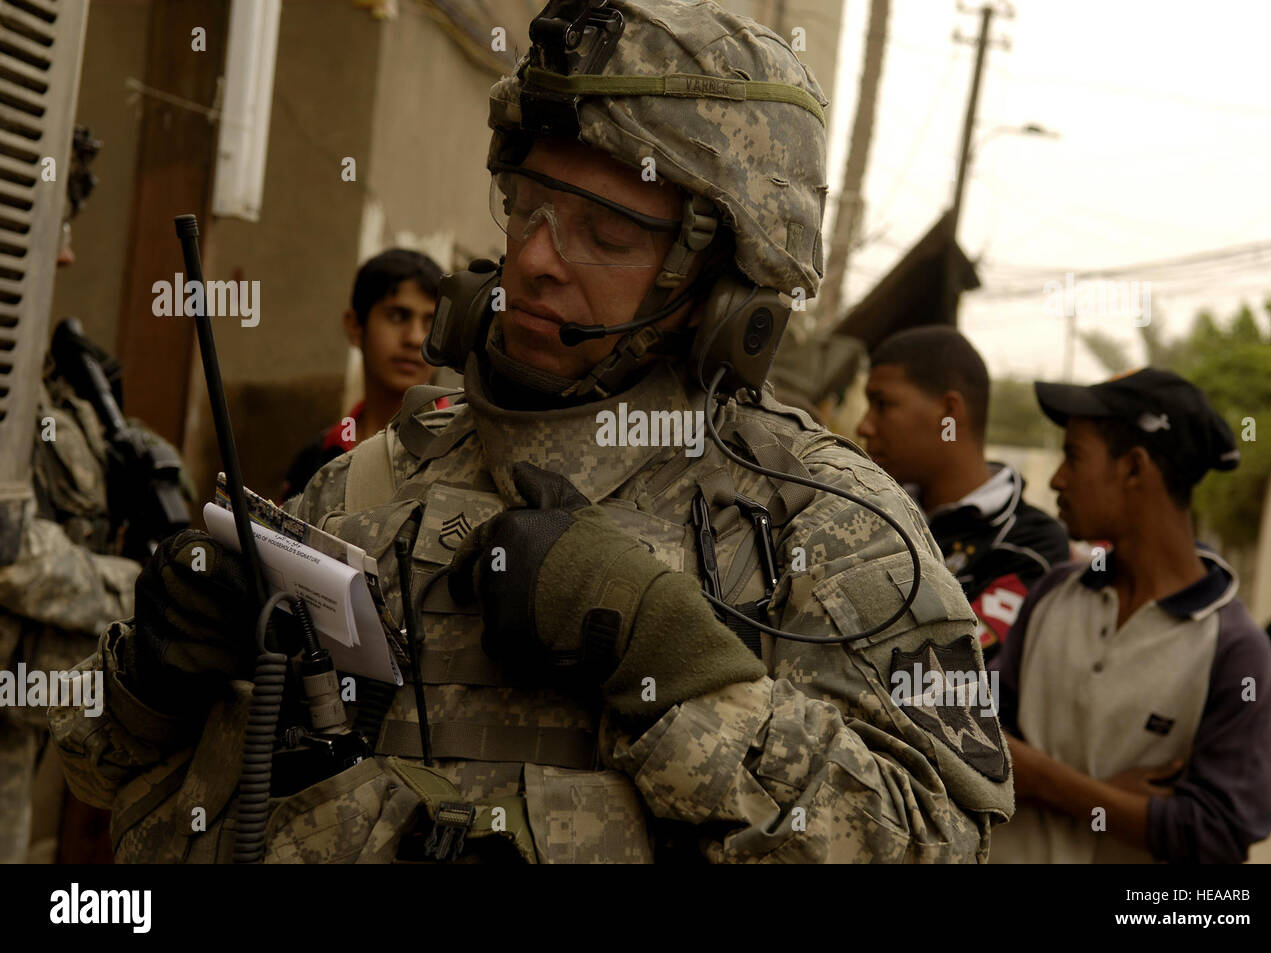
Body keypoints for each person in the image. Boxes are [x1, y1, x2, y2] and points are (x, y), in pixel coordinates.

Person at [51, 0, 1013, 864]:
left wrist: (668, 658)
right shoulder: (373, 480)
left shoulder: (825, 524)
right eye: (528, 206)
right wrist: (152, 679)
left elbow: (935, 839)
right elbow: (103, 776)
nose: (534, 259)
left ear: (723, 292)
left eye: (605, 234)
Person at [989, 367, 1271, 863]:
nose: (1058, 478)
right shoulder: (1054, 594)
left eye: (1074, 455)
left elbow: (1219, 834)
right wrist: (1104, 796)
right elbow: (970, 736)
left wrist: (1040, 777)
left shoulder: (1232, 647)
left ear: (1133, 469)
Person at [0, 128, 187, 863]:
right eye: (54, 224)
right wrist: (139, 592)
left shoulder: (46, 386)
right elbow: (12, 548)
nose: (68, 252)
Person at [857, 326, 1069, 660]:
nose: (864, 426)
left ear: (949, 413)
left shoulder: (1028, 541)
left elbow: (951, 664)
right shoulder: (866, 510)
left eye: (882, 404)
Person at [280, 248, 443, 501]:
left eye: (430, 322)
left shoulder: (459, 452)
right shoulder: (319, 457)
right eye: (398, 316)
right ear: (355, 326)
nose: (414, 338)